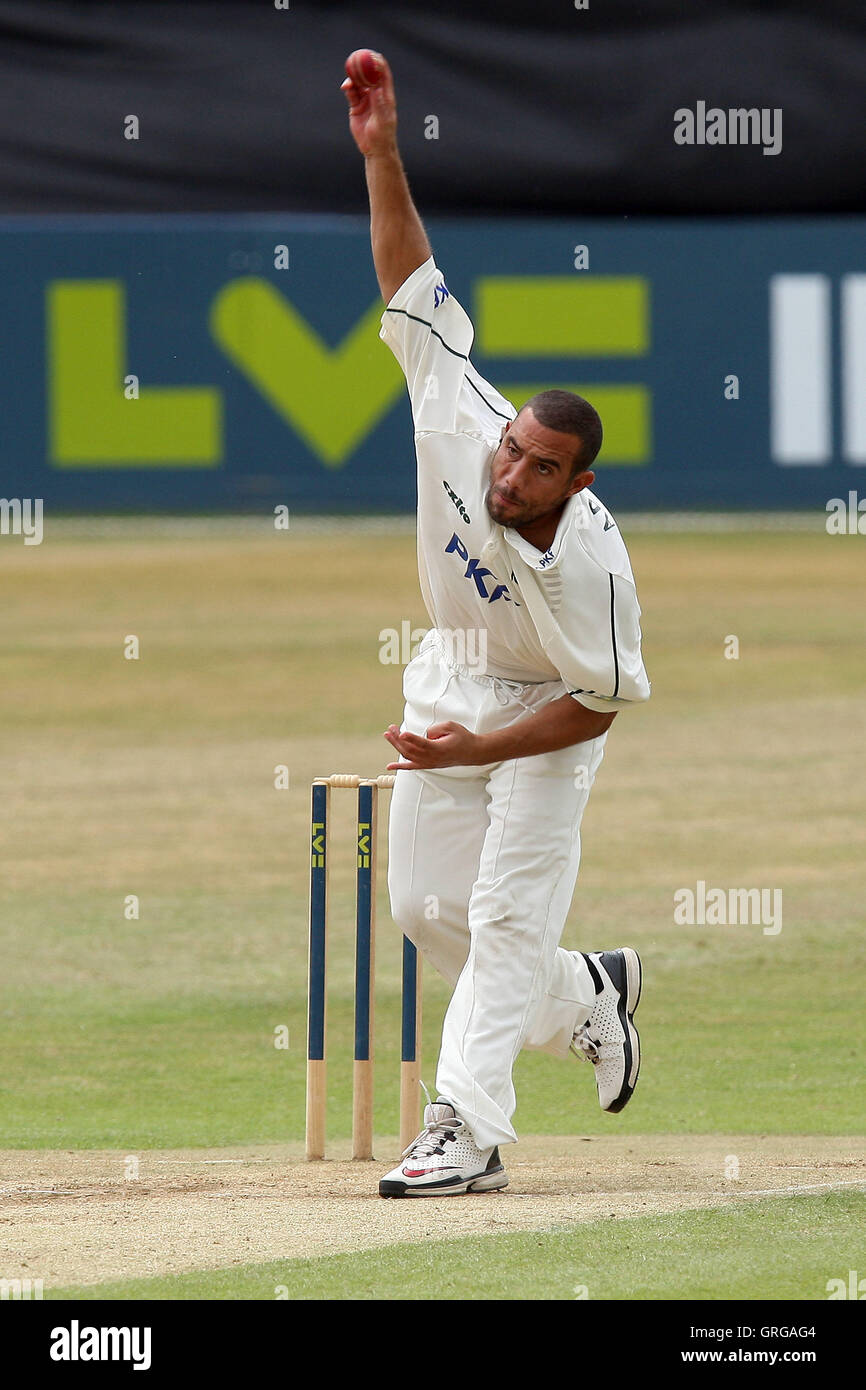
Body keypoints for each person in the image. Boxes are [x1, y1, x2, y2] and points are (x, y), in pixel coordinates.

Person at [342, 50, 651, 1199]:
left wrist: (483, 749)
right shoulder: (459, 411)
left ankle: (465, 1132)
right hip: (454, 672)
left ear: (575, 485)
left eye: (537, 467)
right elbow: (408, 277)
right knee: (424, 906)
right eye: (512, 449)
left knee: (503, 914)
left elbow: (599, 700)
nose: (509, 471)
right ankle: (591, 995)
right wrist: (381, 153)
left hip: (548, 715)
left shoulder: (591, 571)